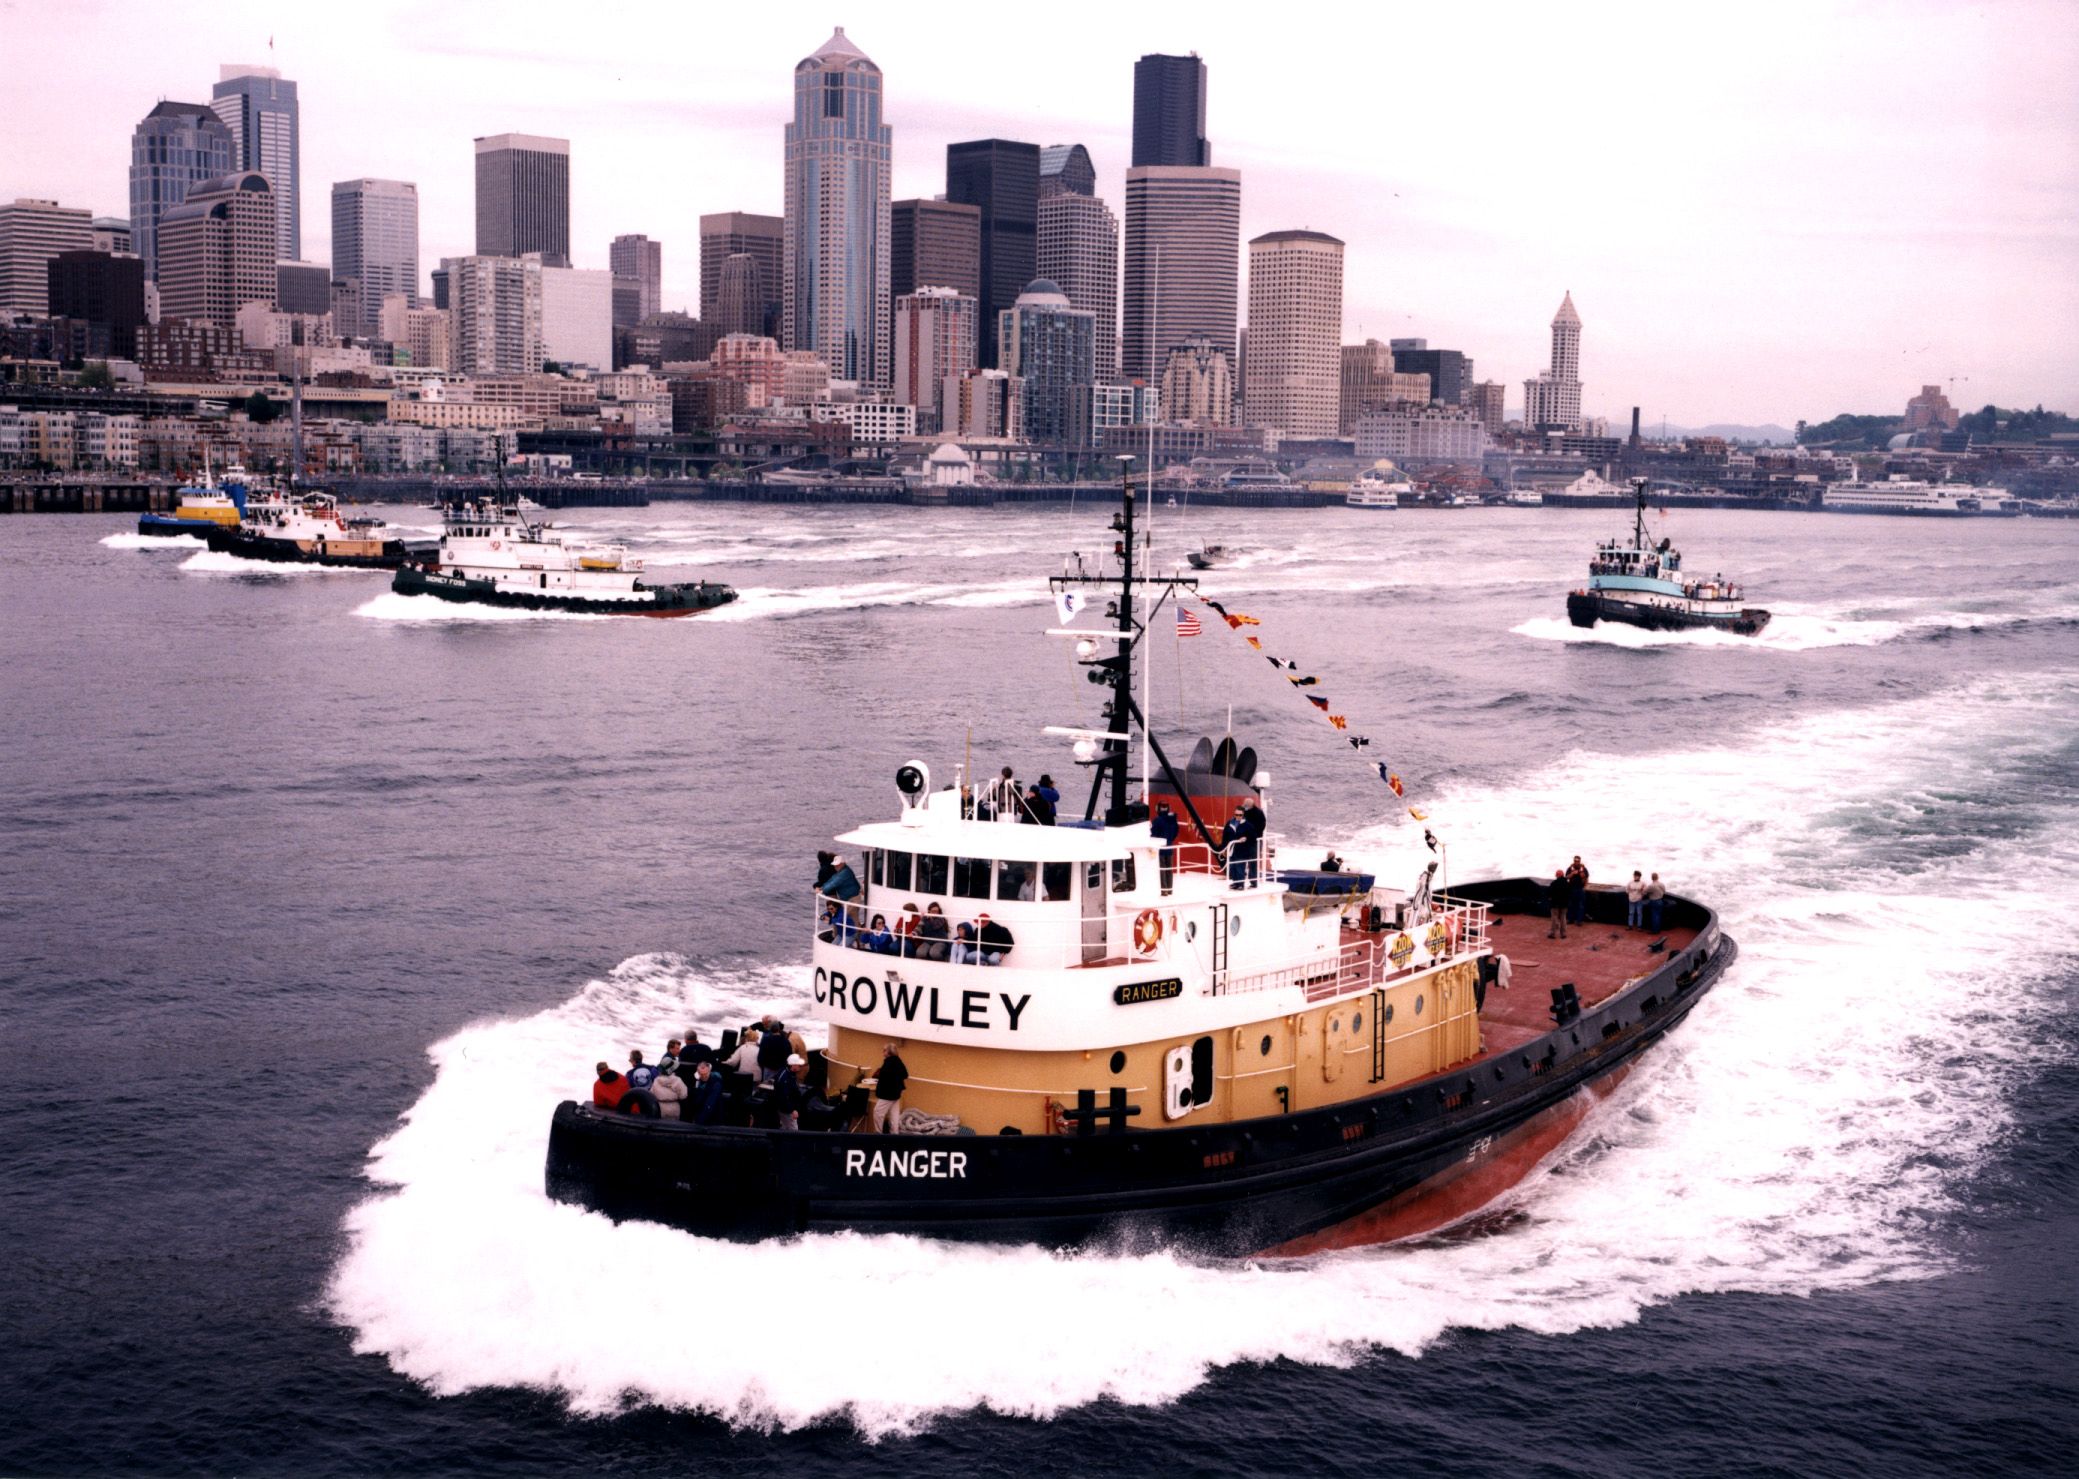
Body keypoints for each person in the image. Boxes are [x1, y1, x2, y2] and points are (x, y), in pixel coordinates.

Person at [872, 1043, 908, 1133]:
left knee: (878, 1112)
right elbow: (905, 1074)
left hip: (888, 1094)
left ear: (889, 1052)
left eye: (884, 1050)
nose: (882, 1051)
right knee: (894, 1116)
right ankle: (894, 1135)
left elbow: (886, 1077)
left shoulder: (889, 1063)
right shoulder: (898, 1062)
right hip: (896, 1094)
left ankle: (878, 1134)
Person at [685, 1059, 726, 1125]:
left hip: (712, 1120)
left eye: (706, 1074)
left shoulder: (715, 1085)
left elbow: (710, 1104)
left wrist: (699, 1122)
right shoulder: (699, 1083)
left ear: (709, 1071)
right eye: (701, 1074)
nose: (704, 1077)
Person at [1150, 802, 1179, 892]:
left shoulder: (1157, 820)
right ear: (1168, 809)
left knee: (1162, 869)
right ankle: (1170, 889)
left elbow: (1154, 835)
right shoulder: (1173, 820)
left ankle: (1164, 890)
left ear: (1157, 809)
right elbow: (1175, 833)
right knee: (1169, 869)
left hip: (1160, 849)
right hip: (1169, 848)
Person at [773, 1055, 807, 1130]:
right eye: (798, 1064)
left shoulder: (788, 1073)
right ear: (793, 1065)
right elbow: (782, 1097)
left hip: (786, 1108)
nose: (799, 1066)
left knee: (785, 1127)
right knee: (793, 1130)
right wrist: (792, 1110)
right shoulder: (786, 1078)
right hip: (786, 1110)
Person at [1566, 856, 1590, 925]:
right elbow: (1567, 877)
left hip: (1580, 889)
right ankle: (1570, 919)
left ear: (1580, 861)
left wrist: (1584, 888)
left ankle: (1579, 921)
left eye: (1578, 861)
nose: (1577, 862)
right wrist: (1572, 873)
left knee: (1580, 906)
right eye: (1575, 861)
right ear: (1574, 861)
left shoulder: (1584, 869)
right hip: (1572, 889)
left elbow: (1587, 878)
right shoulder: (1570, 868)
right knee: (1571, 905)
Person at [1548, 868, 1569, 940]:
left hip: (1555, 904)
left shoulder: (1554, 883)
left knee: (1554, 918)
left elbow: (1549, 894)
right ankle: (1563, 934)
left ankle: (1553, 933)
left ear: (1556, 875)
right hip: (1564, 904)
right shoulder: (1567, 883)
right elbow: (1570, 893)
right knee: (1563, 918)